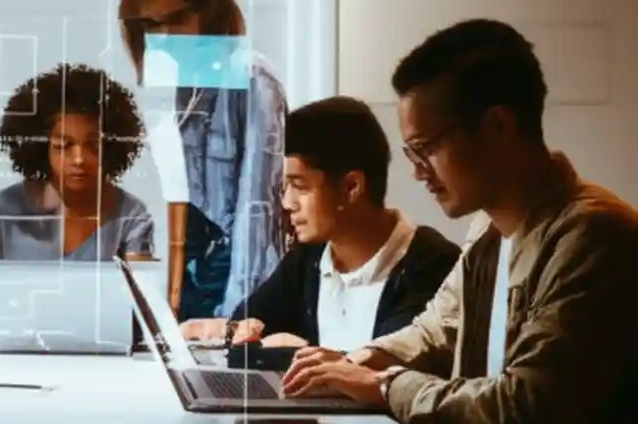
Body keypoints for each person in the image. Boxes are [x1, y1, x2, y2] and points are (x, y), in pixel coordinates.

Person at [282, 19, 638, 424]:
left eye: (424, 148)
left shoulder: (593, 236)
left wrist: (384, 384)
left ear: (497, 126)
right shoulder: (489, 230)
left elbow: (522, 409)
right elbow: (434, 331)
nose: (416, 171)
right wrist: (358, 361)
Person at [180, 96, 460, 355]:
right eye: (285, 187)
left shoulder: (432, 265)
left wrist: (301, 354)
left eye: (300, 187)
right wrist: (233, 330)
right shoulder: (310, 257)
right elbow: (250, 320)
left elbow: (391, 366)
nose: (288, 202)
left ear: (351, 187)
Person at [118, 0, 290, 321]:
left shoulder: (252, 76)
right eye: (149, 25)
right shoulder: (171, 85)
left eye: (175, 19)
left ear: (207, 10)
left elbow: (257, 209)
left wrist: (238, 314)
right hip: (184, 278)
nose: (163, 36)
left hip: (234, 283)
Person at [0, 63, 155, 332]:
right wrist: (81, 315)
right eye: (64, 146)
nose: (79, 159)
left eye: (92, 146)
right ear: (40, 147)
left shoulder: (131, 215)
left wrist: (25, 310)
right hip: (14, 360)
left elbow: (142, 310)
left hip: (102, 366)